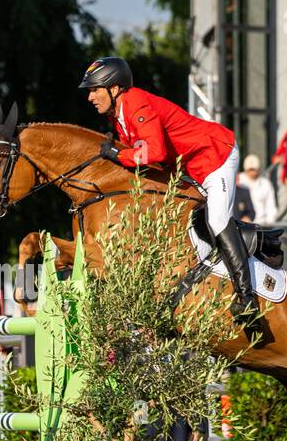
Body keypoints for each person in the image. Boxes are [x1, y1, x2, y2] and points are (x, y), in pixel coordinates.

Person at [80, 56, 258, 325]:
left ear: (114, 89)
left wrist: (119, 154)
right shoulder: (119, 117)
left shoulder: (135, 102)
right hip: (188, 168)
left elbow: (155, 152)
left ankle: (248, 301)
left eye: (95, 89)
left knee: (218, 220)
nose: (90, 97)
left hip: (215, 157)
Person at [237, 153, 278, 224]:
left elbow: (271, 206)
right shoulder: (239, 180)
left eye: (254, 169)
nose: (252, 172)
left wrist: (269, 223)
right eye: (250, 169)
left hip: (261, 224)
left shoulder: (266, 183)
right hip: (243, 224)